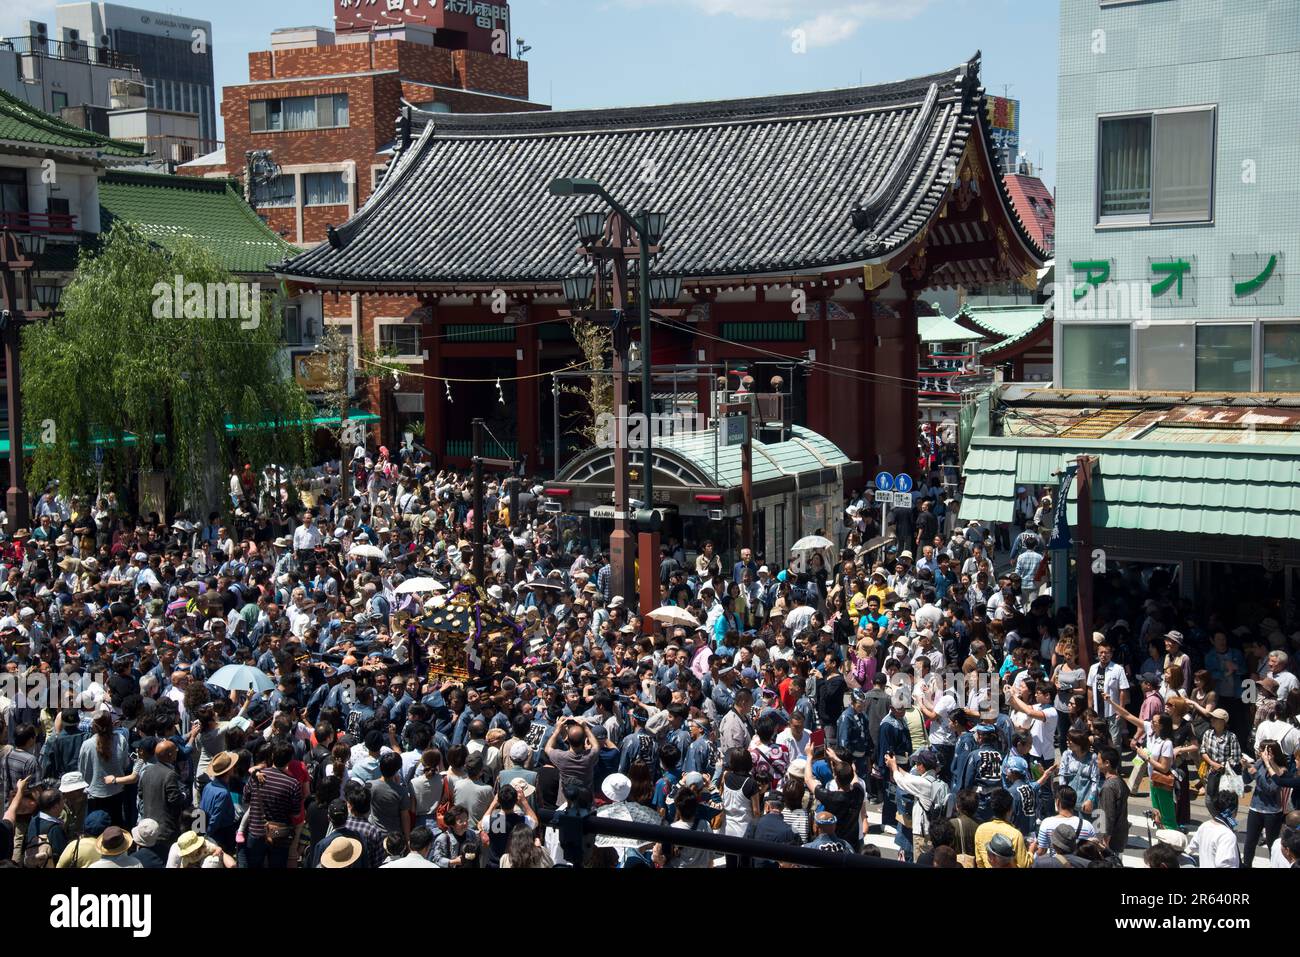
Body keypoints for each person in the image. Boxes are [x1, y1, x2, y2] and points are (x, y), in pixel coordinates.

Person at [1187, 791, 1241, 869]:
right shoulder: (1227, 836)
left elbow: (1192, 847)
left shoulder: (1204, 826)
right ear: (1234, 811)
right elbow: (1223, 864)